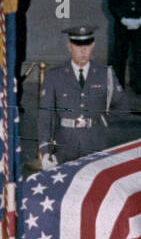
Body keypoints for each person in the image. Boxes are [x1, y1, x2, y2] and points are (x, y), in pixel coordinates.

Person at [37, 25, 130, 165]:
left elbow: (123, 107)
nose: (83, 50)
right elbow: (45, 116)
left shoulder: (105, 73)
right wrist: (45, 151)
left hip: (95, 143)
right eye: (78, 45)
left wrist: (102, 121)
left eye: (87, 45)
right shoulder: (54, 76)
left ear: (92, 45)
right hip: (64, 145)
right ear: (69, 46)